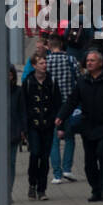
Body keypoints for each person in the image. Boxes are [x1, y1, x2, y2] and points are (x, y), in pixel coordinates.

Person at [55, 48, 103, 201]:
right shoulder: (82, 81)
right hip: (88, 127)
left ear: (100, 63)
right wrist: (61, 116)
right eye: (88, 60)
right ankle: (96, 190)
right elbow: (72, 100)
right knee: (89, 163)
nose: (89, 63)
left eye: (92, 60)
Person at [19, 50, 61, 201]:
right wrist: (23, 128)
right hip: (33, 126)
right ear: (34, 65)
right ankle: (32, 183)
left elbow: (58, 103)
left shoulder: (52, 82)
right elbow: (23, 106)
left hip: (48, 125)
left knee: (44, 157)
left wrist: (58, 121)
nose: (45, 65)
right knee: (35, 153)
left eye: (45, 63)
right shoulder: (28, 83)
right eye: (41, 63)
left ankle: (42, 189)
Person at [46, 37, 80, 183]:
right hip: (69, 105)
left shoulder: (46, 62)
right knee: (69, 138)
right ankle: (67, 169)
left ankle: (57, 174)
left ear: (49, 46)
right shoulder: (71, 60)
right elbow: (78, 81)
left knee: (53, 140)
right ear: (62, 45)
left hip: (51, 106)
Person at [9, 64, 26, 195]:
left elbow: (22, 112)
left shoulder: (19, 91)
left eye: (10, 75)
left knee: (11, 163)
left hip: (14, 132)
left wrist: (23, 130)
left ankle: (8, 191)